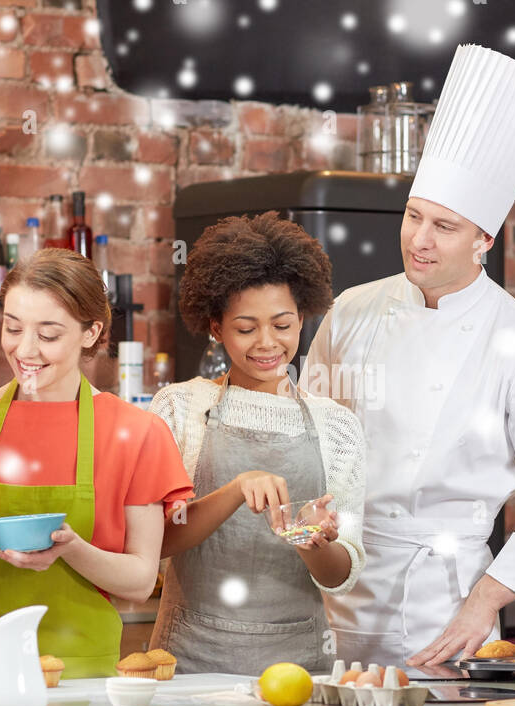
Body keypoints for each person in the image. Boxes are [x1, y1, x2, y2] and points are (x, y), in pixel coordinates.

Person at [302, 44, 515, 672]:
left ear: (486, 239)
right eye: (413, 217)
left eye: (446, 227)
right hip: (335, 583)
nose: (420, 241)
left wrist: (488, 598)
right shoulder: (352, 310)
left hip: (446, 603)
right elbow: (311, 436)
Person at [0, 248, 193, 681]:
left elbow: (140, 580)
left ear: (91, 332)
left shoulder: (137, 432)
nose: (24, 350)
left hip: (80, 681)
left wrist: (71, 550)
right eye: (13, 328)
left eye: (48, 335)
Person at [149, 212, 365, 675]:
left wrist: (311, 540)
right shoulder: (179, 408)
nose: (267, 344)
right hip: (189, 661)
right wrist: (234, 490)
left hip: (301, 668)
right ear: (215, 326)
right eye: (246, 328)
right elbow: (156, 543)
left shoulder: (337, 426)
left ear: (303, 316)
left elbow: (341, 575)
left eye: (283, 325)